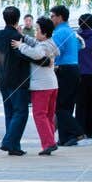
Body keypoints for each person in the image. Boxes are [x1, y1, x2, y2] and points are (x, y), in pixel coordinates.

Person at [0, 6, 32, 155]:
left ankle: (14, 146)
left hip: (2, 78)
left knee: (10, 111)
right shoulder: (16, 36)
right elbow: (23, 55)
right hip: (18, 79)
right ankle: (9, 141)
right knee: (21, 112)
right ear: (18, 19)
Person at [22, 16, 61, 154]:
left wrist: (21, 45)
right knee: (49, 115)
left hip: (41, 86)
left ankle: (49, 143)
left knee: (39, 114)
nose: (35, 32)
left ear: (44, 33)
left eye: (37, 30)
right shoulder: (50, 43)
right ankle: (51, 141)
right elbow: (36, 44)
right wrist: (24, 38)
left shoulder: (43, 46)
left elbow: (36, 53)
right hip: (52, 84)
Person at [47, 5, 81, 146]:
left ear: (60, 17)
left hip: (64, 70)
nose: (51, 19)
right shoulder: (70, 31)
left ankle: (77, 131)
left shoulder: (59, 32)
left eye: (52, 16)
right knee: (67, 105)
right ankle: (66, 137)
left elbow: (55, 51)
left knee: (59, 106)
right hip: (73, 68)